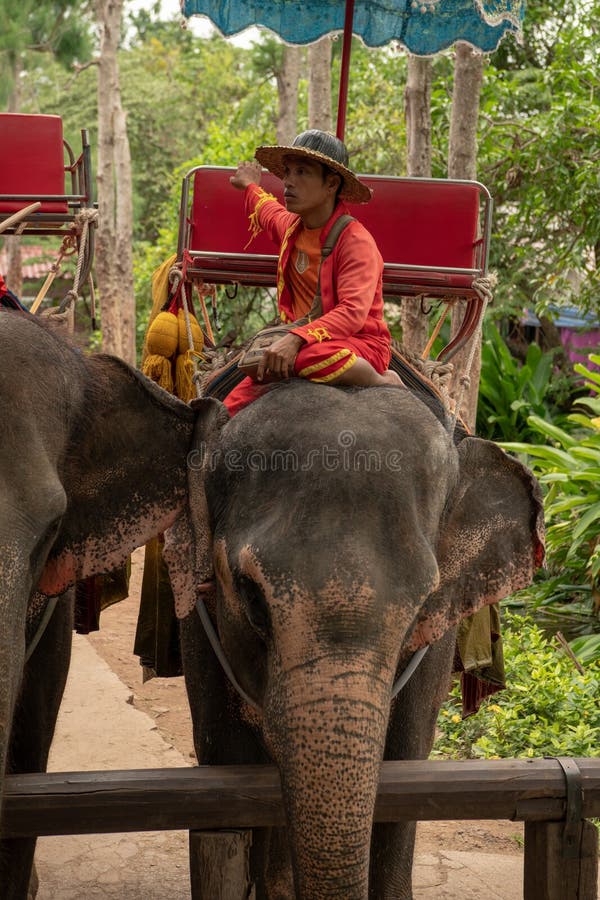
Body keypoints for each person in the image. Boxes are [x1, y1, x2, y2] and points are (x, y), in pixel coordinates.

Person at [224, 129, 401, 416]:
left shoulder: (356, 241)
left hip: (359, 344)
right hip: (303, 338)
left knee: (305, 357)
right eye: (288, 172)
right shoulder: (292, 227)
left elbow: (353, 312)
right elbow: (266, 209)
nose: (288, 182)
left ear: (331, 184)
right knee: (229, 409)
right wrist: (249, 184)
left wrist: (295, 339)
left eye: (302, 172)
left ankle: (384, 382)